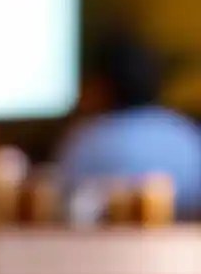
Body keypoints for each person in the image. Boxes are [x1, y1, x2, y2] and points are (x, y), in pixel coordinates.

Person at [57, 37, 201, 219]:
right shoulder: (186, 133)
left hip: (106, 236)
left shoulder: (87, 139)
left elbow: (63, 200)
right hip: (184, 236)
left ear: (102, 86)